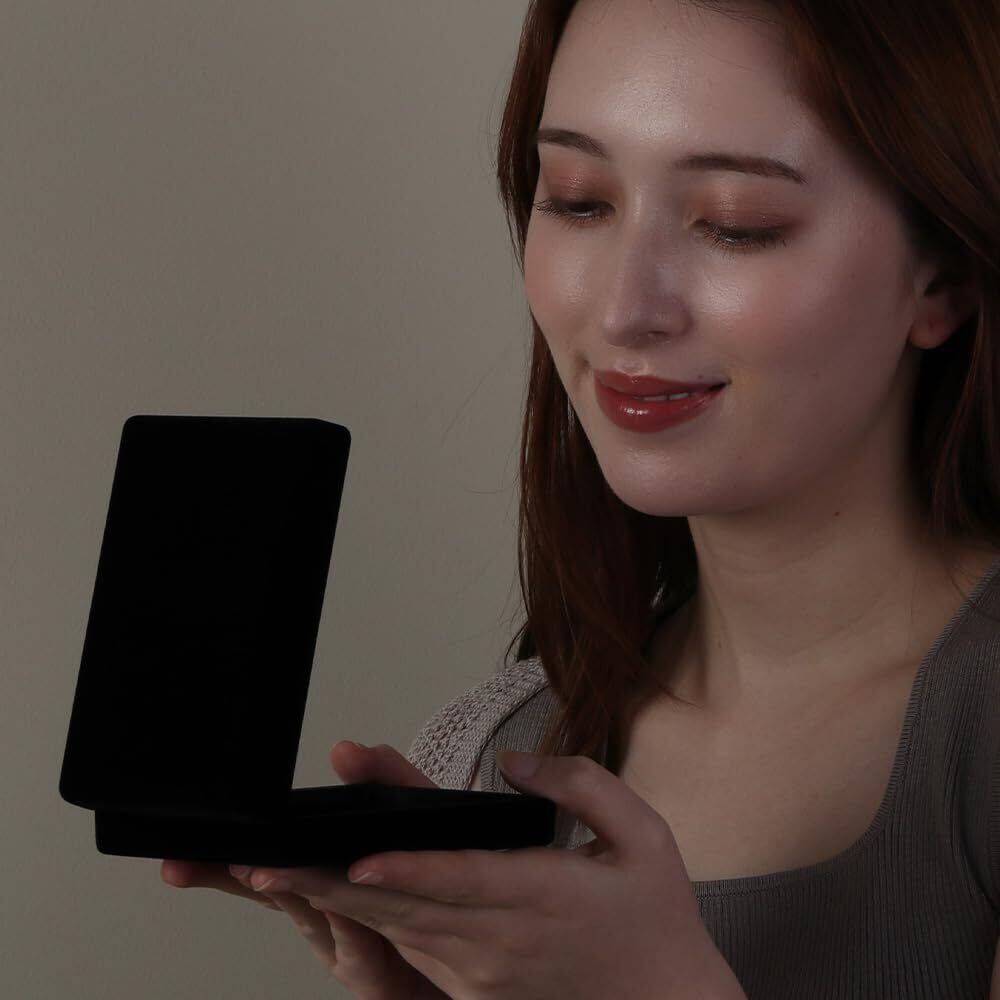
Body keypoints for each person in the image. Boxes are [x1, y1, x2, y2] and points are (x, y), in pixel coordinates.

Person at [162, 0, 1000, 996]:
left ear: (942, 277)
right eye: (579, 201)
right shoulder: (495, 749)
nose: (624, 307)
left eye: (736, 223)